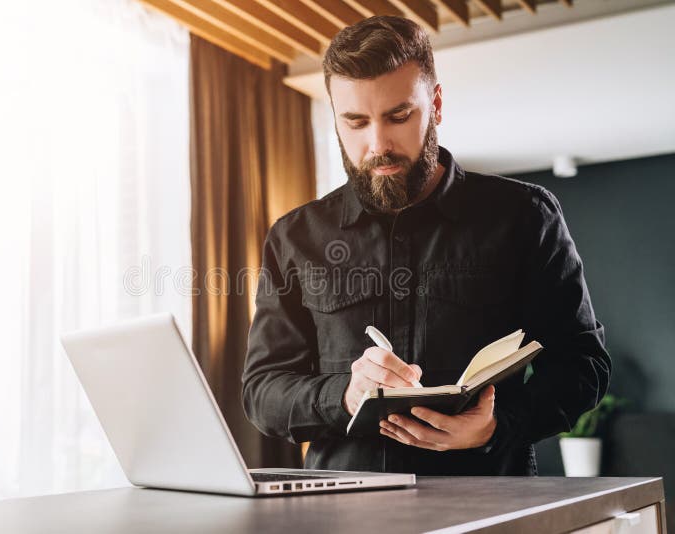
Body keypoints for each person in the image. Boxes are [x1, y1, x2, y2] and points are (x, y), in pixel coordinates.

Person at [241, 15, 611, 475]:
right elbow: (261, 391)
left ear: (435, 104)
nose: (377, 144)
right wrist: (344, 394)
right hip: (344, 514)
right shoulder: (293, 237)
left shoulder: (524, 217)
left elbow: (584, 364)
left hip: (490, 508)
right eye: (354, 122)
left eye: (399, 116)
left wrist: (499, 425)